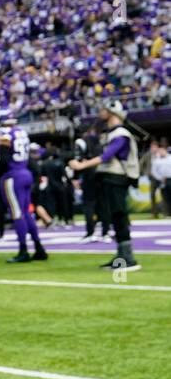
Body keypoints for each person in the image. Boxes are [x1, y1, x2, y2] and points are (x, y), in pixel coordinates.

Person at [70, 100, 141, 271]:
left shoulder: (120, 133)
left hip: (117, 178)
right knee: (113, 216)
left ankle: (128, 258)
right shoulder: (111, 133)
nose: (101, 112)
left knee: (119, 215)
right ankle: (121, 256)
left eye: (105, 109)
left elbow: (107, 156)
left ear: (113, 112)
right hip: (109, 178)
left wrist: (82, 165)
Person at [0, 111, 47, 264]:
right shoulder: (21, 132)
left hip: (13, 176)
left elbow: (3, 160)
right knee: (26, 213)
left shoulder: (4, 134)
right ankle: (38, 247)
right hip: (25, 173)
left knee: (17, 214)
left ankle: (23, 250)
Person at [150, 142, 171, 220]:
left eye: (162, 150)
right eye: (160, 151)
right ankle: (166, 213)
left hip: (170, 178)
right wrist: (160, 178)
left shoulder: (170, 158)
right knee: (165, 197)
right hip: (162, 180)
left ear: (165, 150)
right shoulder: (157, 160)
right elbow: (153, 171)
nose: (161, 152)